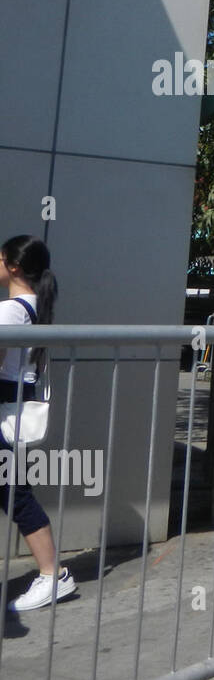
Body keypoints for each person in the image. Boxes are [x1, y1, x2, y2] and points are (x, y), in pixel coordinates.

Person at [0, 235, 76, 611]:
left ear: (13, 267)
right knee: (13, 492)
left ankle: (53, 574)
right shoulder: (34, 307)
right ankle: (53, 574)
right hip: (9, 412)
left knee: (15, 493)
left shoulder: (10, 312)